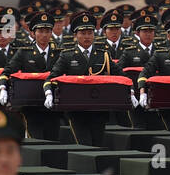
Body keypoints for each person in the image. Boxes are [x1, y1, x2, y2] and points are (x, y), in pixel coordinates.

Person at [44, 12, 123, 146]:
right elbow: (51, 78)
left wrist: (132, 92)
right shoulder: (67, 55)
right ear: (75, 35)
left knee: (98, 144)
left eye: (89, 33)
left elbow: (121, 76)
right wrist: (48, 93)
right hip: (76, 109)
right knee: (84, 144)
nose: (87, 36)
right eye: (83, 33)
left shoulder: (103, 55)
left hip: (99, 109)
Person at [0, 12, 64, 140]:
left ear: (51, 33)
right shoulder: (24, 52)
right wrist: (2, 88)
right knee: (35, 140)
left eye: (47, 31)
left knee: (53, 141)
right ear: (33, 34)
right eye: (40, 31)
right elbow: (7, 72)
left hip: (53, 106)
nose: (44, 35)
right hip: (30, 104)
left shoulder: (59, 53)